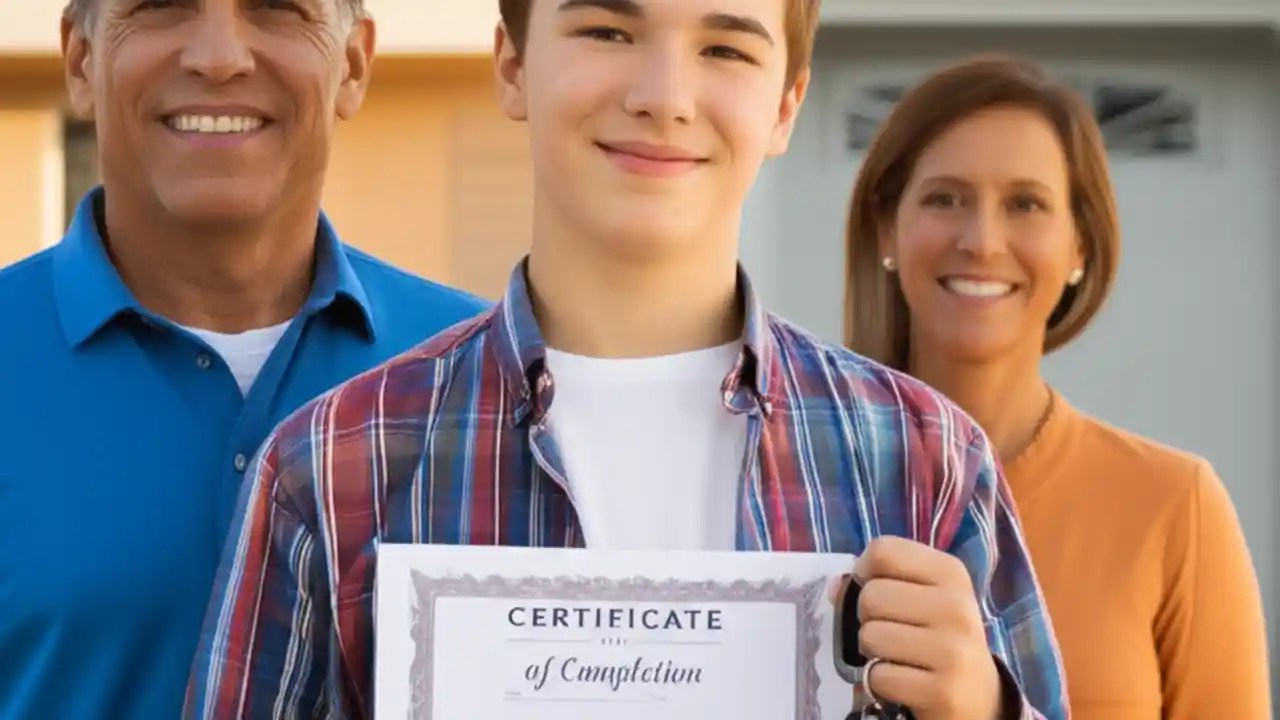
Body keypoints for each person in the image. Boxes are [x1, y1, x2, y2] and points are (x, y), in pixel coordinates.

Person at [185, 3, 1069, 718]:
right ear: (513, 65)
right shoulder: (331, 464)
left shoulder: (924, 459)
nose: (665, 96)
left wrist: (986, 711)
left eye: (725, 48)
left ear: (786, 104)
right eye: (609, 31)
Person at [0, 1, 489, 717]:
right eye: (161, 5)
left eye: (278, 7)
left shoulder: (490, 379)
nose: (220, 57)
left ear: (352, 64)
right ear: (80, 59)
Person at [844, 54, 1271, 719]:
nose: (983, 241)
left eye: (1026, 204)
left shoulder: (1175, 508)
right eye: (944, 198)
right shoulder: (791, 481)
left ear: (1079, 247)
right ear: (885, 230)